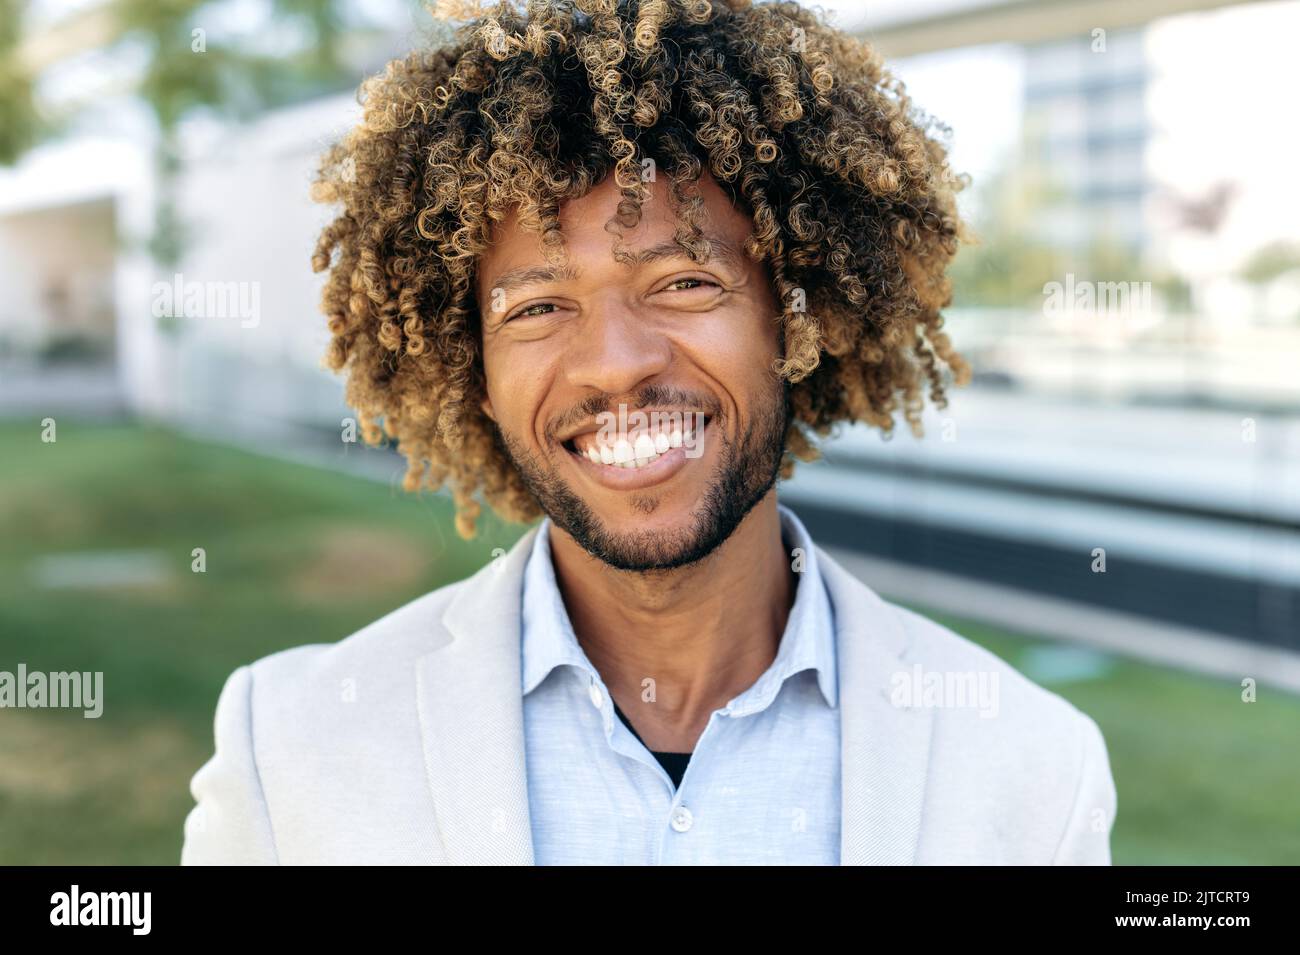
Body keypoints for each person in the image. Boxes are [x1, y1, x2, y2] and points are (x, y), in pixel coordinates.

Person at [182, 0, 1116, 865]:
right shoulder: (288, 753)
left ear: (797, 316)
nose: (616, 363)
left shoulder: (1031, 771)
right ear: (475, 371)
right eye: (540, 306)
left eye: (684, 283)